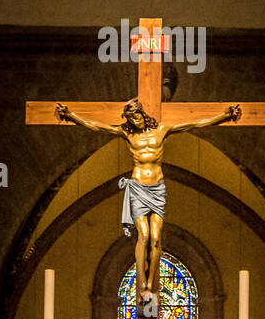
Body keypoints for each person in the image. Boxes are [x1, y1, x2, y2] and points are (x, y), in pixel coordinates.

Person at [55, 96, 241, 295]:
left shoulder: (161, 130)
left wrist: (224, 116)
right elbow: (97, 127)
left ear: (141, 113)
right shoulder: (127, 133)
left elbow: (194, 124)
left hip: (157, 189)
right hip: (137, 188)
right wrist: (71, 116)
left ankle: (151, 283)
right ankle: (141, 284)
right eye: (131, 118)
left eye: (136, 116)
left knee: (156, 239)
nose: (135, 121)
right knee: (143, 235)